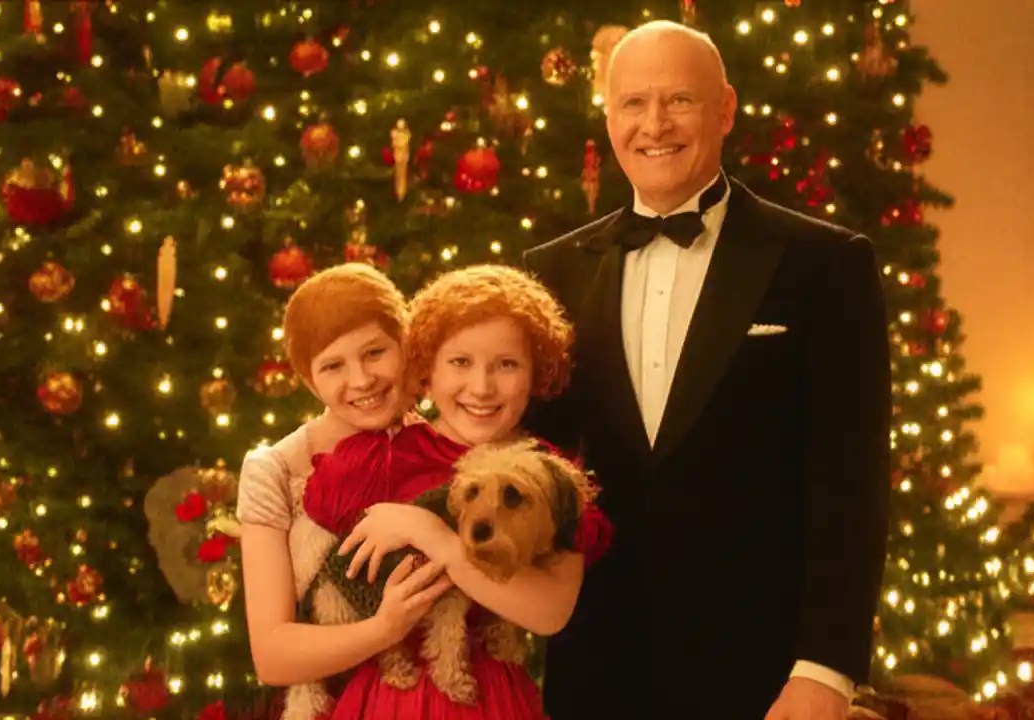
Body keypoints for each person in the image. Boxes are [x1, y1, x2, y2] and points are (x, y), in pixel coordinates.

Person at [521, 20, 892, 720]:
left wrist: (826, 670)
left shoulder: (825, 264)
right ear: (608, 116)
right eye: (633, 103)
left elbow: (852, 482)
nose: (654, 124)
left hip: (767, 676)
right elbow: (524, 461)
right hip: (594, 673)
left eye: (679, 101)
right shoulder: (550, 272)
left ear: (724, 110)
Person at [316, 264, 611, 720]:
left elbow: (550, 613)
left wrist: (434, 536)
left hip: (490, 698)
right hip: (389, 696)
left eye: (507, 365)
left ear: (537, 372)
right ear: (426, 370)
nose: (482, 387)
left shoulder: (549, 478)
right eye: (460, 362)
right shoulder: (384, 457)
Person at [236, 263, 455, 720]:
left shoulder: (447, 439)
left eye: (375, 352)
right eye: (333, 366)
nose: (361, 380)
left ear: (405, 346)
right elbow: (273, 655)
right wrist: (385, 629)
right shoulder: (274, 470)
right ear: (308, 379)